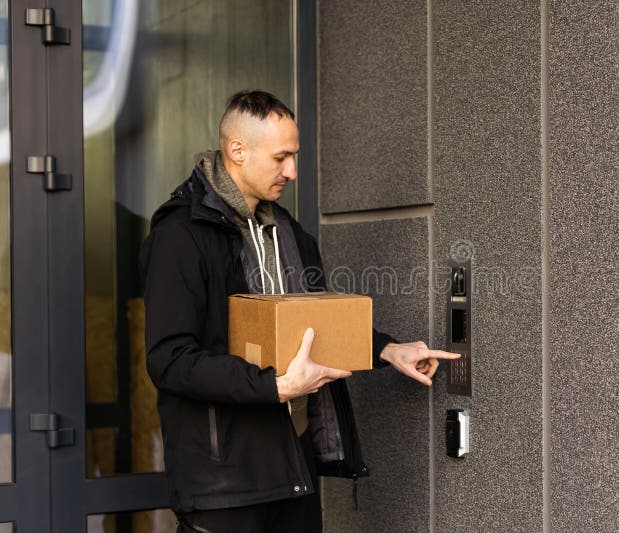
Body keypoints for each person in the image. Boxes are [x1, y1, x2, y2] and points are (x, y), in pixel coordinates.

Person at [140, 90, 459, 533]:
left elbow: (314, 325)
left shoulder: (289, 234)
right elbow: (170, 361)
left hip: (294, 470)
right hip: (224, 484)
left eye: (294, 156)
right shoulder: (179, 237)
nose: (292, 171)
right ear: (237, 150)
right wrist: (275, 386)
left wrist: (386, 350)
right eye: (281, 157)